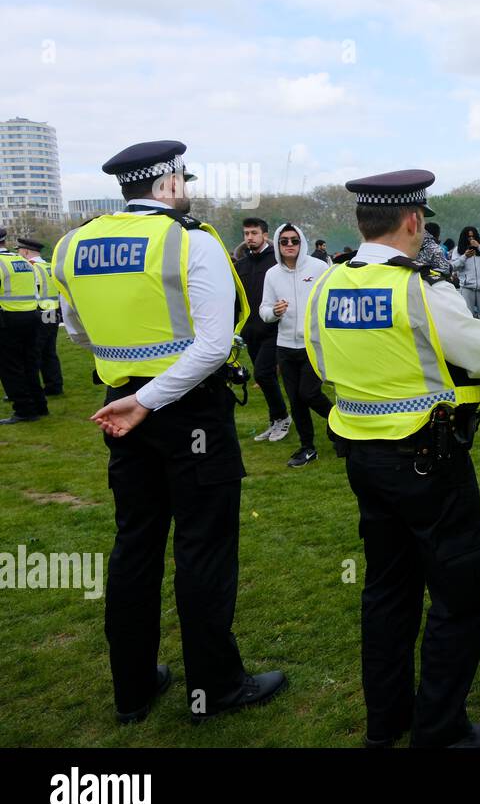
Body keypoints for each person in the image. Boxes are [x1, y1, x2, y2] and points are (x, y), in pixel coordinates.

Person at [51, 139, 285, 724]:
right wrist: (150, 399)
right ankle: (216, 686)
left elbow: (78, 333)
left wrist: (130, 393)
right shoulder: (190, 242)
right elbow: (211, 344)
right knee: (202, 549)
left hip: (121, 406)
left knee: (135, 545)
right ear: (170, 183)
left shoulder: (73, 245)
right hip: (186, 408)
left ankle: (132, 688)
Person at [305, 169, 480, 747]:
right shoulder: (421, 285)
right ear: (414, 220)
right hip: (428, 457)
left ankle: (386, 721)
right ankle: (440, 730)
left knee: (388, 591)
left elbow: (319, 362)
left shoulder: (328, 284)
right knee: (458, 595)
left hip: (363, 457)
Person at [259, 222, 332, 467]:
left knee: (309, 393)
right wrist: (274, 312)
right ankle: (308, 447)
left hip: (313, 344)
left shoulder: (319, 267)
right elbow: (264, 310)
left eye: (294, 240)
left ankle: (339, 426)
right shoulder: (272, 274)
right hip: (285, 346)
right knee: (296, 399)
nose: (289, 245)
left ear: (302, 242)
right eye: (284, 241)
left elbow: (331, 301)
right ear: (278, 245)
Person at [234, 217, 291, 442]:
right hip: (251, 331)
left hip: (275, 328)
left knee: (263, 374)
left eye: (254, 233)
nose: (249, 237)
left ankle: (283, 418)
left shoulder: (277, 262)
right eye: (246, 233)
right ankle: (275, 420)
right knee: (268, 378)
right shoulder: (241, 265)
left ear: (265, 235)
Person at [0, 231, 48, 424]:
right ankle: (39, 405)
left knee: (11, 368)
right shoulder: (22, 262)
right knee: (30, 365)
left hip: (8, 319)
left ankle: (24, 410)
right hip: (31, 317)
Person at [14, 239, 64, 397]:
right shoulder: (49, 266)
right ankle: (54, 385)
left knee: (33, 353)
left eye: (19, 251)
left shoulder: (31, 267)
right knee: (49, 351)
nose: (18, 254)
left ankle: (31, 389)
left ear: (25, 252)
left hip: (39, 312)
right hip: (52, 311)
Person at [451, 226, 480, 322]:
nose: (471, 239)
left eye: (473, 236)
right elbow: (453, 266)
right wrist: (465, 256)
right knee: (468, 317)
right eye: (469, 237)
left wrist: (479, 246)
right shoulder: (458, 249)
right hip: (467, 287)